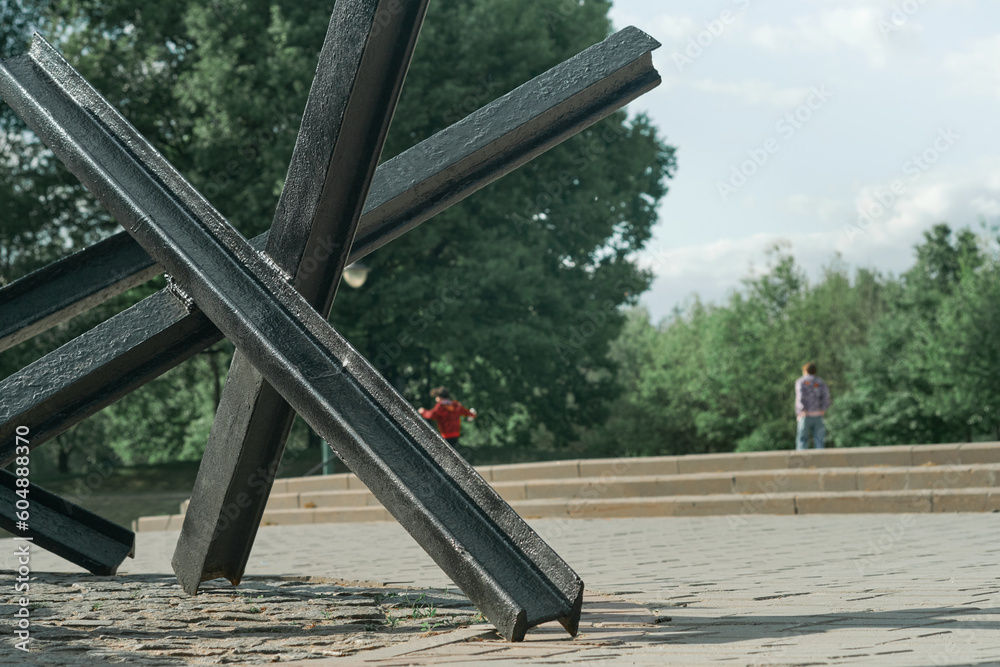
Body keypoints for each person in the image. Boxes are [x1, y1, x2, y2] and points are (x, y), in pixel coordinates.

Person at [795, 362, 831, 450]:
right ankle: (820, 460)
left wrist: (800, 411)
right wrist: (823, 409)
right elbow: (826, 397)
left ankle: (802, 460)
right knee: (819, 439)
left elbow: (800, 397)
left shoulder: (801, 381)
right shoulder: (820, 382)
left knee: (802, 439)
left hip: (805, 414)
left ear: (805, 371)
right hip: (818, 414)